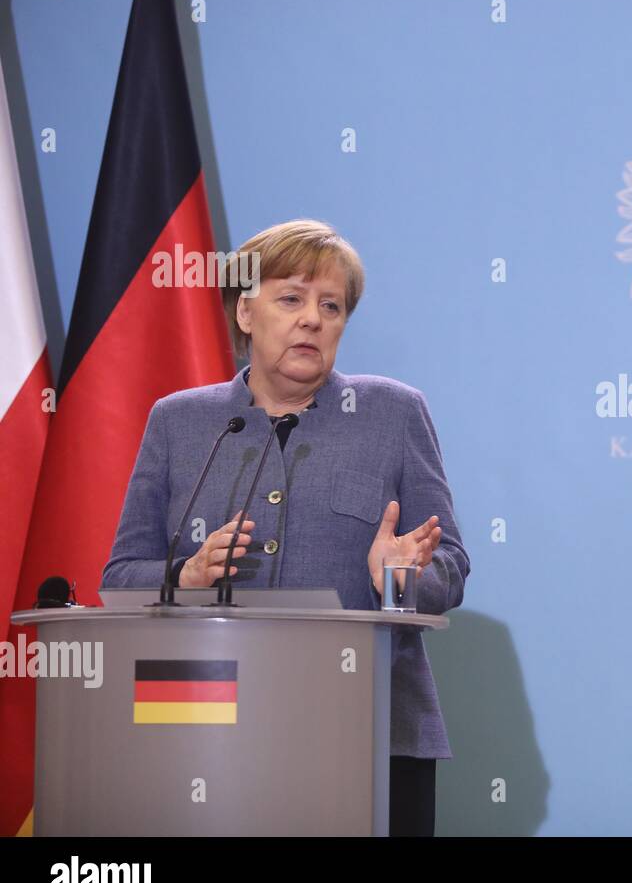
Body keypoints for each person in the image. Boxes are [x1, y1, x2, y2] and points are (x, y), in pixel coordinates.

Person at [102, 219, 469, 835]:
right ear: (245, 313)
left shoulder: (394, 414)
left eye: (331, 306)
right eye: (291, 298)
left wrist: (404, 575)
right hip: (207, 731)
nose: (313, 320)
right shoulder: (180, 422)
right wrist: (187, 573)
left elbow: (450, 564)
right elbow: (121, 575)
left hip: (369, 732)